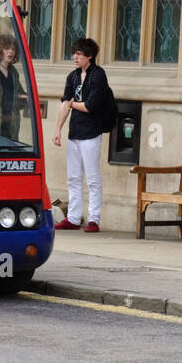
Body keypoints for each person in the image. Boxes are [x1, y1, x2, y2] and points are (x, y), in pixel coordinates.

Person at [51, 38, 110, 232]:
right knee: (73, 177)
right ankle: (73, 218)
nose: (75, 57)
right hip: (74, 132)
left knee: (92, 177)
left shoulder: (98, 75)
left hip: (91, 132)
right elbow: (64, 104)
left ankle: (94, 218)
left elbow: (90, 106)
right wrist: (58, 129)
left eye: (80, 54)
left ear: (90, 56)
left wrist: (72, 103)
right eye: (74, 53)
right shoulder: (73, 76)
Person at [0, 33, 25, 139]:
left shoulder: (13, 73)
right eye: (7, 48)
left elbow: (21, 99)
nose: (10, 52)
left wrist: (24, 98)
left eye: (13, 49)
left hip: (11, 127)